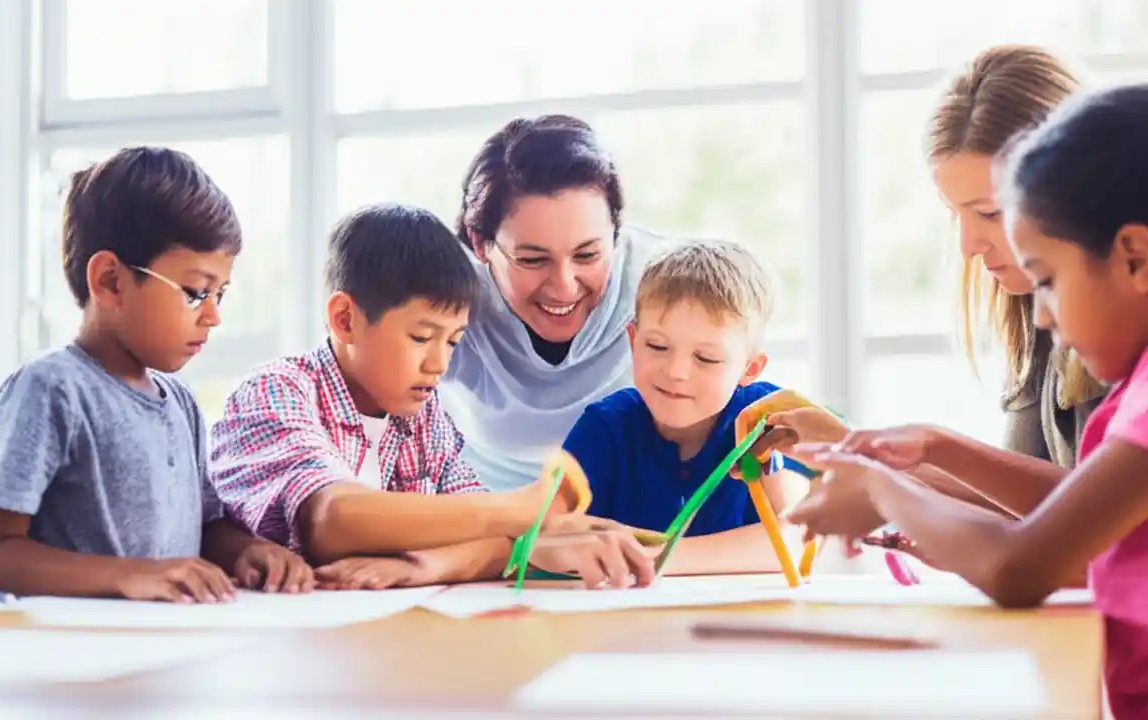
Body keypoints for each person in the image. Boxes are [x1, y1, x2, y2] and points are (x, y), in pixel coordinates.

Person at [789, 84, 1148, 718]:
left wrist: (881, 490)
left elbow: (1023, 565)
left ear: (1135, 258)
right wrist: (938, 448)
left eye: (1047, 279)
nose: (1040, 314)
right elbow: (1075, 514)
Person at [742, 46, 1105, 520]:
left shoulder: (1146, 333)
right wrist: (850, 446)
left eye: (990, 213)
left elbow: (1091, 515)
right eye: (957, 216)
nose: (970, 246)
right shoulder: (1035, 314)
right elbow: (1017, 504)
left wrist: (917, 458)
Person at [211, 204, 654, 590]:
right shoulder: (278, 392)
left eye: (454, 342)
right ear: (345, 320)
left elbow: (497, 544)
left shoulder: (422, 420)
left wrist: (423, 564)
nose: (438, 364)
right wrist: (522, 509)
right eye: (422, 337)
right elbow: (330, 520)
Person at [0, 147, 312, 602]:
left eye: (221, 293)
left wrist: (246, 550)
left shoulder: (181, 403)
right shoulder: (52, 389)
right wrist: (129, 575)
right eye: (196, 293)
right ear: (111, 281)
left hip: (157, 655)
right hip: (71, 662)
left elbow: (206, 527)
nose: (214, 315)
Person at [440, 114, 667, 492]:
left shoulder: (665, 282)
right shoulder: (444, 294)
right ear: (481, 244)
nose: (564, 287)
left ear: (616, 232)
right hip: (485, 516)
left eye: (588, 255)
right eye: (532, 260)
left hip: (633, 515)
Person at [562, 241, 810, 575]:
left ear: (749, 369)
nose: (676, 371)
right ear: (633, 341)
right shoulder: (605, 428)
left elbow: (796, 537)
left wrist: (652, 558)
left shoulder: (767, 419)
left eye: (705, 358)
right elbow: (546, 536)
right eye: (657, 346)